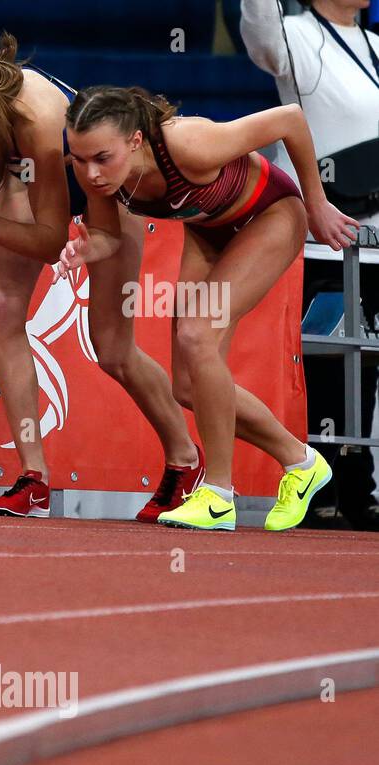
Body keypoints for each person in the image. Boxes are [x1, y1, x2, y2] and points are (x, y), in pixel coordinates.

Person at [0, 27, 206, 521]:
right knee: (1, 306)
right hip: (21, 174)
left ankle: (186, 460)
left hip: (98, 190)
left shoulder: (37, 120)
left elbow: (50, 244)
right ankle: (34, 479)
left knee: (112, 350)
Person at [59, 85, 360, 530]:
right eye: (79, 159)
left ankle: (218, 494)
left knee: (197, 333)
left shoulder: (189, 143)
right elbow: (108, 236)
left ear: (136, 141)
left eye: (102, 158)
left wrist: (316, 203)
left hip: (270, 216)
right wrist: (85, 250)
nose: (91, 173)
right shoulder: (104, 178)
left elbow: (291, 118)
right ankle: (301, 463)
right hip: (209, 233)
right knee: (187, 386)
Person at [241, 0, 379, 530]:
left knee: (363, 367)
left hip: (372, 237)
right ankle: (319, 492)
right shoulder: (295, 35)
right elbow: (259, 33)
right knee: (323, 366)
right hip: (324, 238)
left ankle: (358, 490)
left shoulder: (373, 44)